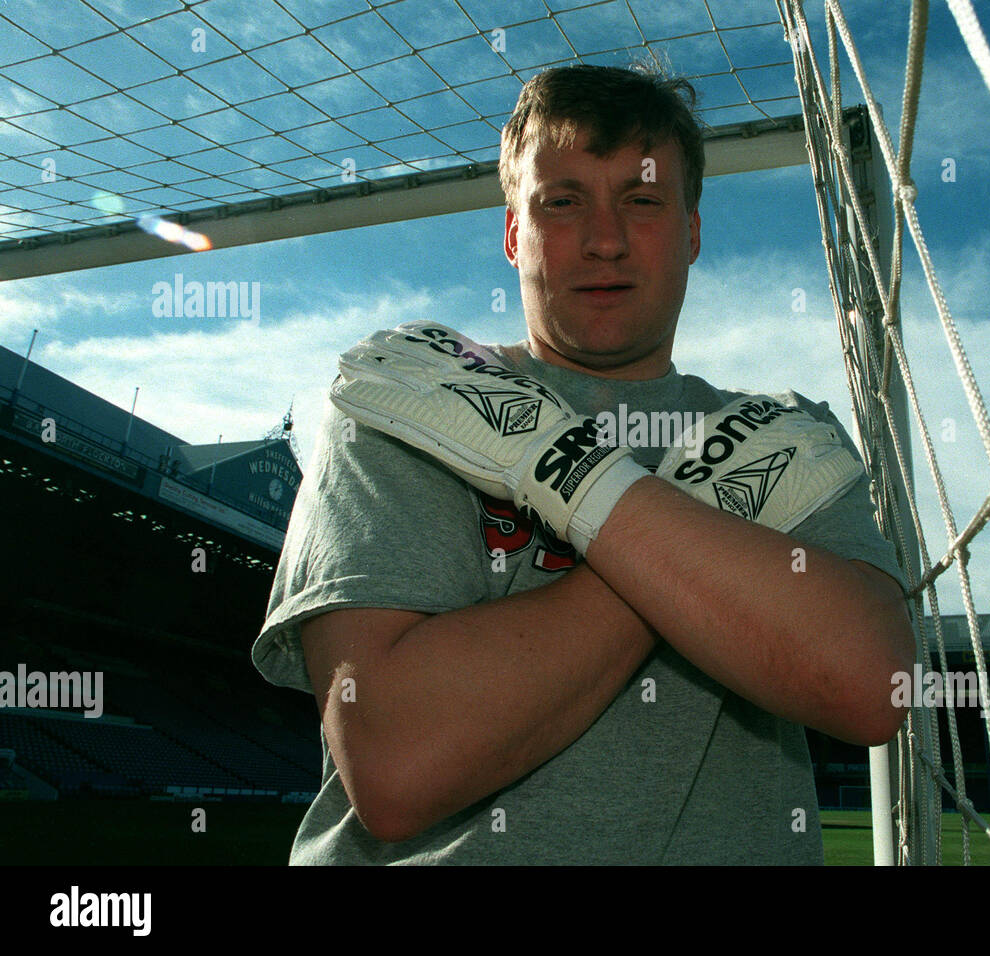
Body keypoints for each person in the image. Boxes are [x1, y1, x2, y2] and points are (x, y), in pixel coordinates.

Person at [252, 64, 913, 864]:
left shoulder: (784, 432)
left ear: (693, 232)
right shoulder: (413, 400)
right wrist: (702, 544)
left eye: (641, 201)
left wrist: (563, 475)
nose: (605, 239)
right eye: (562, 202)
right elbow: (397, 763)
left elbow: (870, 683)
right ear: (512, 234)